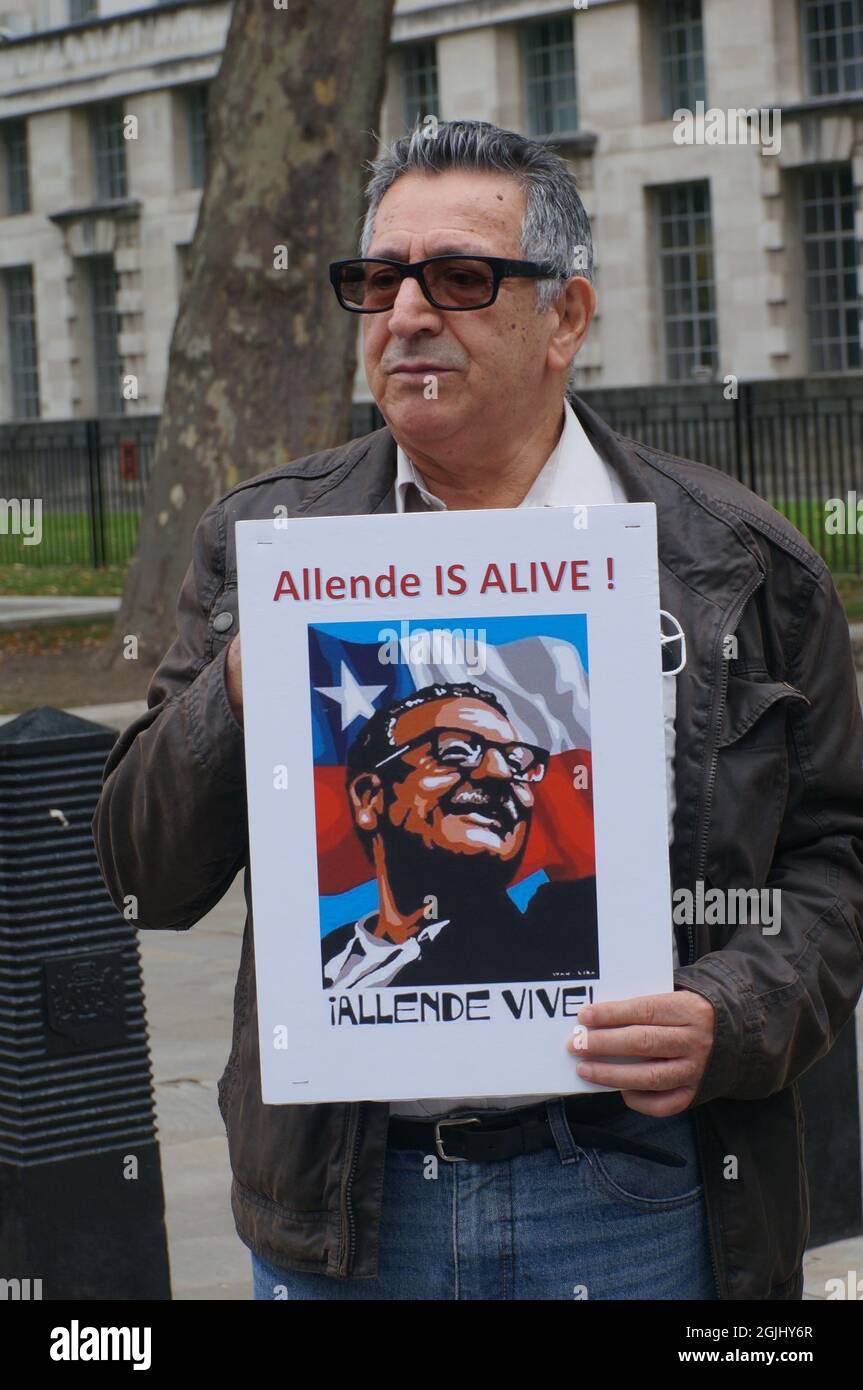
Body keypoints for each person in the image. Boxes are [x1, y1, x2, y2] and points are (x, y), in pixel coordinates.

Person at [92, 120, 863, 1301]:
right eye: (378, 279)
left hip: (637, 1198)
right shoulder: (262, 546)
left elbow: (834, 860)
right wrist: (250, 675)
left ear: (563, 317)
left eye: (459, 278)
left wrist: (734, 1012)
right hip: (351, 1220)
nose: (405, 314)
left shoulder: (733, 563)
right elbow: (145, 873)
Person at [322, 680, 599, 988]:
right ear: (369, 798)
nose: (499, 772)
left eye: (516, 762)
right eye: (456, 751)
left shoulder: (567, 949)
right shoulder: (319, 959)